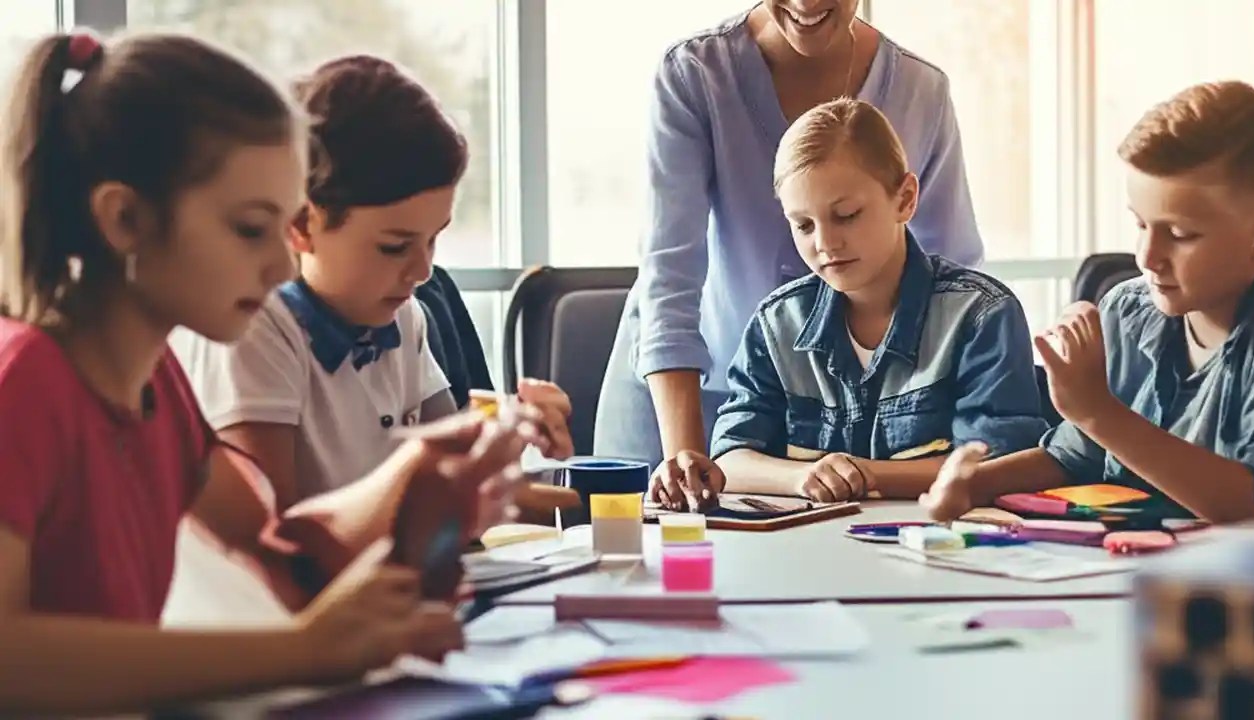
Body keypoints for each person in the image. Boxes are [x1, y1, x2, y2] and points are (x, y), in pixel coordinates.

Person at [0, 32, 526, 715]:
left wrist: (429, 486)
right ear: (125, 219)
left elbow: (277, 544)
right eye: (251, 229)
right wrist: (304, 648)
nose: (281, 267)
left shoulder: (158, 386)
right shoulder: (26, 385)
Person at [595, 0, 985, 494]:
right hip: (684, 395)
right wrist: (686, 460)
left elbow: (956, 284)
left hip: (837, 421)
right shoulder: (695, 74)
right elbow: (670, 279)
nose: (806, 4)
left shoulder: (921, 90)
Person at [172, 55, 574, 512]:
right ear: (301, 225)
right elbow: (270, 530)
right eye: (394, 247)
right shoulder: (255, 327)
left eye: (433, 239)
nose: (423, 271)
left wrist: (515, 428)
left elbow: (456, 472)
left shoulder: (404, 315)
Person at [651, 98, 1043, 509]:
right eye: (803, 225)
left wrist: (864, 474)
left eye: (847, 215)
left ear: (905, 199)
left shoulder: (981, 315)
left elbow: (997, 464)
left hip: (938, 541)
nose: (825, 243)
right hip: (811, 545)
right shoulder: (776, 323)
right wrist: (803, 477)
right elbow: (730, 458)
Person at [921, 81, 1254, 524]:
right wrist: (972, 483)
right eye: (1140, 224)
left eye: (1180, 234)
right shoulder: (1127, 313)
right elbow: (1078, 455)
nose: (1147, 257)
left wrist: (1098, 412)